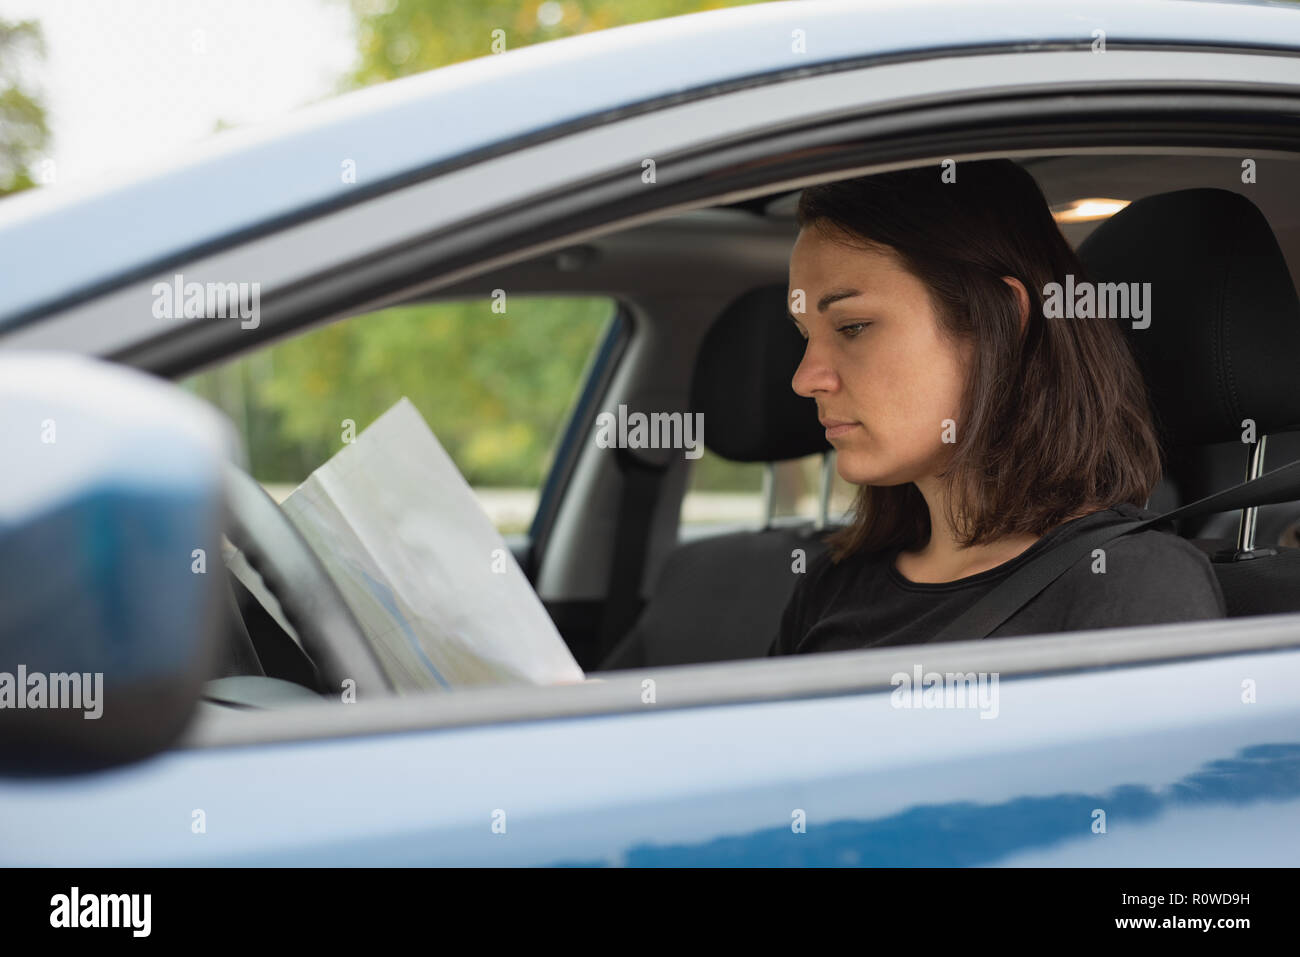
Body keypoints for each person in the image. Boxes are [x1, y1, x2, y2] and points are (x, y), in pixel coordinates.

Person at [768, 160, 1224, 656]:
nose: (804, 379)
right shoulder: (834, 584)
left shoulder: (1134, 585)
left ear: (999, 323)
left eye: (852, 327)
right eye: (805, 337)